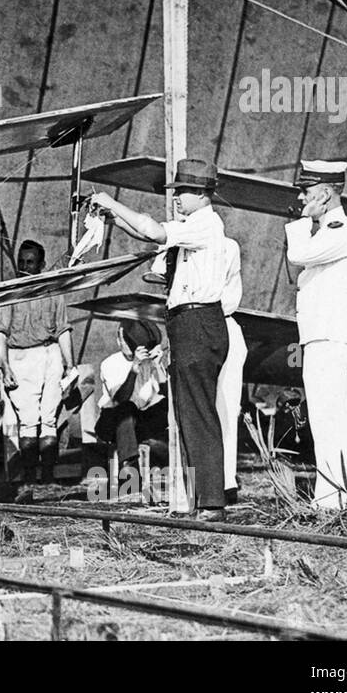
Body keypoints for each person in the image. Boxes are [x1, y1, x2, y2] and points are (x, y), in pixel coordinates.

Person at [89, 158, 231, 520]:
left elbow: (152, 231)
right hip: (189, 323)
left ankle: (212, 502)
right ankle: (204, 500)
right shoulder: (194, 225)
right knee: (188, 413)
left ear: (201, 194)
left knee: (197, 414)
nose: (177, 198)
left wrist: (111, 203)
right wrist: (113, 218)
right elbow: (146, 232)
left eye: (183, 192)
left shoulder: (203, 224)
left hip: (197, 321)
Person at [285, 159, 347, 512]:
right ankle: (344, 497)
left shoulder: (339, 229)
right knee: (330, 417)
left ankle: (343, 498)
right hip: (323, 336)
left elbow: (297, 254)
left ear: (324, 193)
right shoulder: (326, 229)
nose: (301, 199)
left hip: (329, 336)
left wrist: (301, 221)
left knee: (331, 417)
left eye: (306, 192)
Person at [0, 240, 76, 500]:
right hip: (20, 358)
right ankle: (30, 481)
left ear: (41, 265)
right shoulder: (10, 292)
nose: (25, 268)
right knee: (28, 421)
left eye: (31, 262)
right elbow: (1, 332)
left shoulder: (53, 292)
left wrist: (69, 365)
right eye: (22, 262)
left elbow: (63, 330)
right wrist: (4, 365)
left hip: (49, 355)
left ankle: (48, 480)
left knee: (49, 419)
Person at [95, 319, 169, 474]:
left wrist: (157, 365)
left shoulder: (147, 362)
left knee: (168, 404)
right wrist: (134, 368)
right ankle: (129, 467)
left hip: (139, 420)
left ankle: (168, 455)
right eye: (124, 341)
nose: (128, 345)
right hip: (112, 422)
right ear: (118, 341)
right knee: (127, 407)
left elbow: (166, 393)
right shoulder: (110, 363)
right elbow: (121, 399)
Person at [216, 237, 246, 506]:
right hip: (197, 328)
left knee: (225, 408)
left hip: (221, 325)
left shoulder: (227, 245)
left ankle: (225, 481)